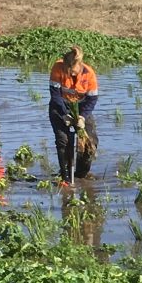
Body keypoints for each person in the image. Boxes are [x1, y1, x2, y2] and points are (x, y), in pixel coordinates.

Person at [48, 46, 100, 183]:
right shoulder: (58, 67)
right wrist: (64, 114)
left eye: (72, 71)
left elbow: (92, 99)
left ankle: (80, 175)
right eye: (67, 70)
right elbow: (55, 95)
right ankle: (65, 178)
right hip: (60, 108)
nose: (70, 73)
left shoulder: (89, 74)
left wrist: (82, 117)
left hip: (82, 109)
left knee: (90, 144)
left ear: (79, 65)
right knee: (64, 141)